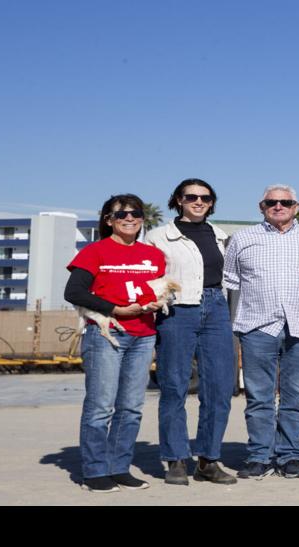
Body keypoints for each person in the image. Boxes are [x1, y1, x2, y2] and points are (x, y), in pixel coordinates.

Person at [223, 184, 299, 479]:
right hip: (257, 328)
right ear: (262, 206)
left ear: (296, 206)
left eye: (286, 202)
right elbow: (231, 282)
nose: (279, 206)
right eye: (272, 202)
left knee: (297, 396)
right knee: (259, 397)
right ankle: (260, 456)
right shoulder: (242, 239)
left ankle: (290, 456)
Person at [66, 194, 167, 493]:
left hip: (143, 335)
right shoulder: (94, 252)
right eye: (120, 214)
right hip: (107, 333)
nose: (129, 218)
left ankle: (119, 467)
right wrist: (115, 310)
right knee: (101, 406)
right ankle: (95, 471)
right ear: (108, 220)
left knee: (132, 407)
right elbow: (74, 292)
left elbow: (157, 291)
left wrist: (157, 303)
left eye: (135, 213)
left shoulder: (154, 255)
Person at [144, 178, 237, 486]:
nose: (199, 201)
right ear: (179, 200)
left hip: (216, 308)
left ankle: (208, 460)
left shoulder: (220, 236)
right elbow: (147, 275)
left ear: (212, 202)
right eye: (191, 196)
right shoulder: (159, 236)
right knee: (174, 386)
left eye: (205, 197)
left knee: (220, 388)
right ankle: (175, 460)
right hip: (177, 310)